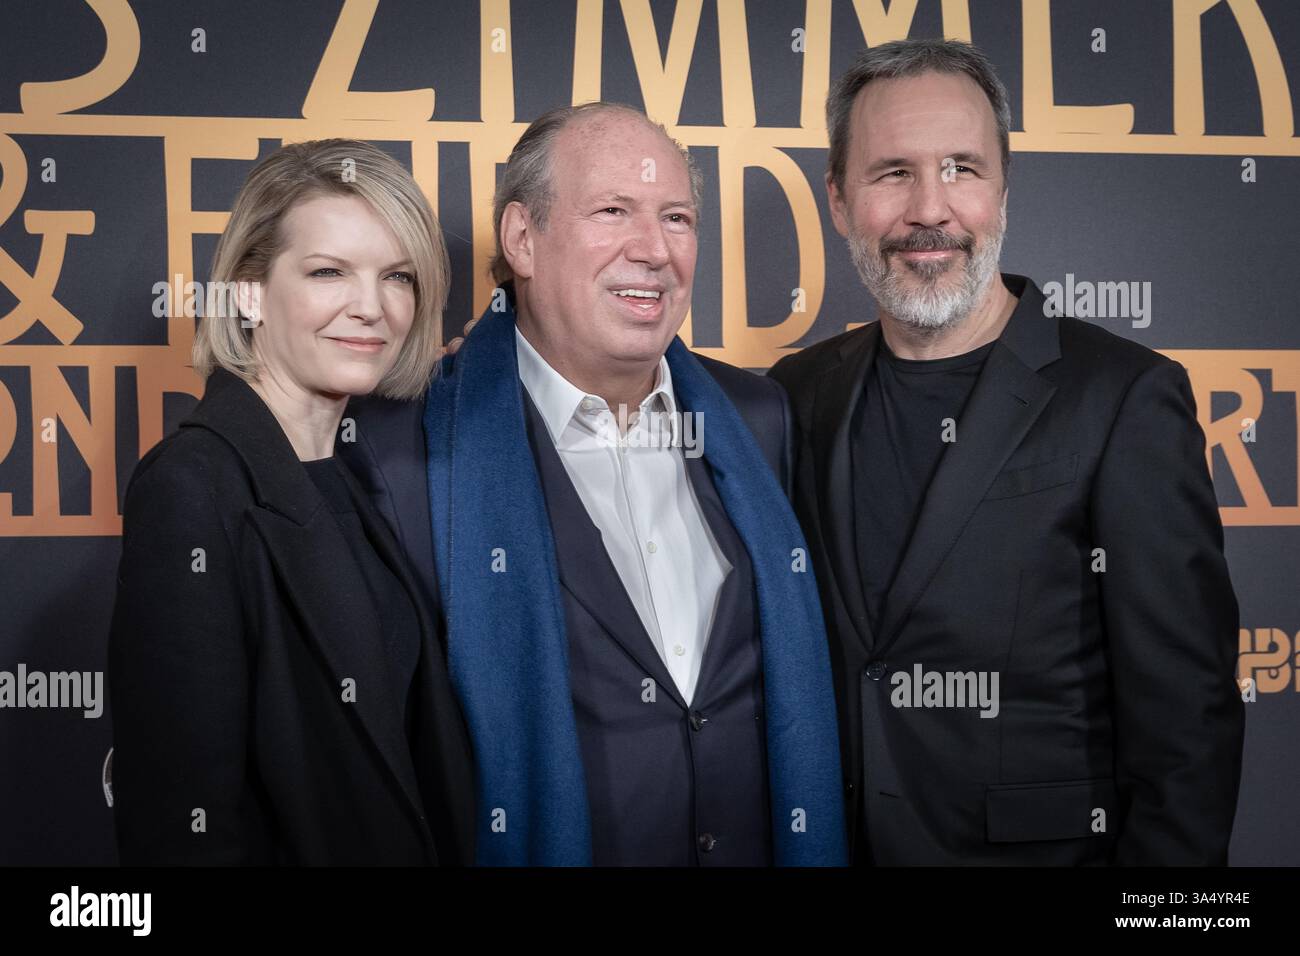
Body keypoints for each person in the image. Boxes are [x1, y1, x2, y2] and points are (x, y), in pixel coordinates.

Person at [769, 39, 1244, 865]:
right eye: (892, 174)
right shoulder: (795, 395)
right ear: (839, 200)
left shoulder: (1123, 398)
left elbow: (1188, 732)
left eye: (961, 168)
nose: (930, 208)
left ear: (1003, 190)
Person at [342, 103, 847, 866]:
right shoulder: (403, 450)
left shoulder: (758, 417)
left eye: (676, 218)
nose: (653, 250)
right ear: (522, 239)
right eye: (613, 211)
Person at [108, 139, 475, 865]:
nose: (370, 308)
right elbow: (183, 822)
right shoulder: (192, 487)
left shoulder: (360, 468)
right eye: (328, 272)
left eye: (396, 277)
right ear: (248, 289)